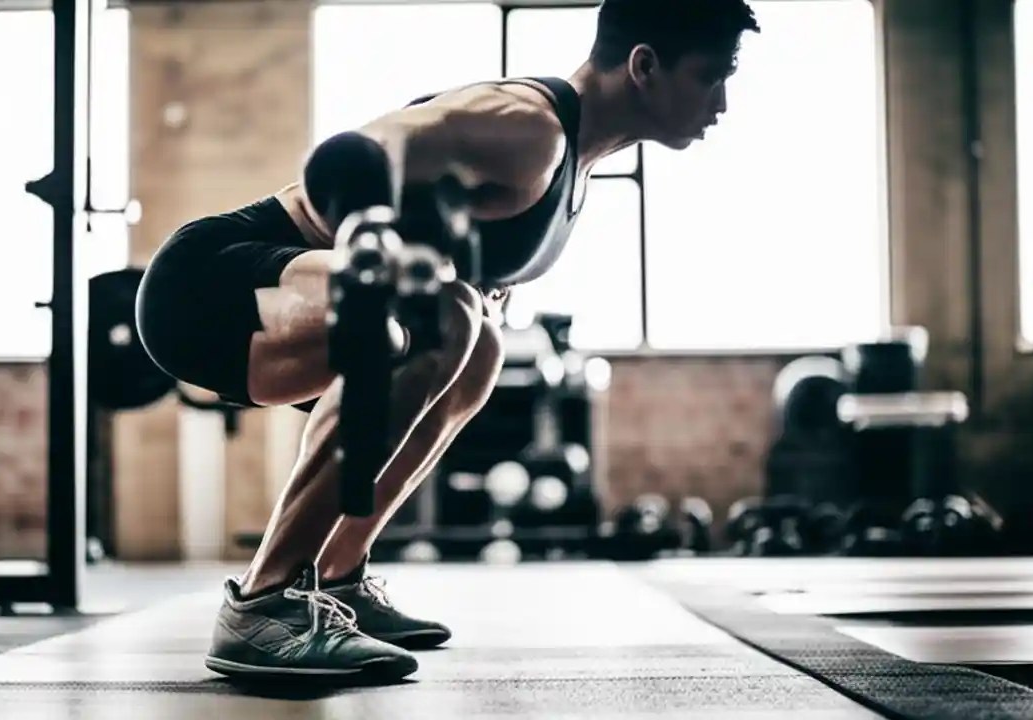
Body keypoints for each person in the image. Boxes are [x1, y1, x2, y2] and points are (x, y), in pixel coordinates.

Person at [135, 0, 759, 682]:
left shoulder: (572, 163)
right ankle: (261, 606)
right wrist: (372, 255)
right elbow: (348, 156)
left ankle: (336, 577)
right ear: (644, 66)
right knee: (447, 316)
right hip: (206, 286)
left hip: (289, 302)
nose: (722, 102)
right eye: (711, 76)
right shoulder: (531, 129)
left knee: (480, 344)